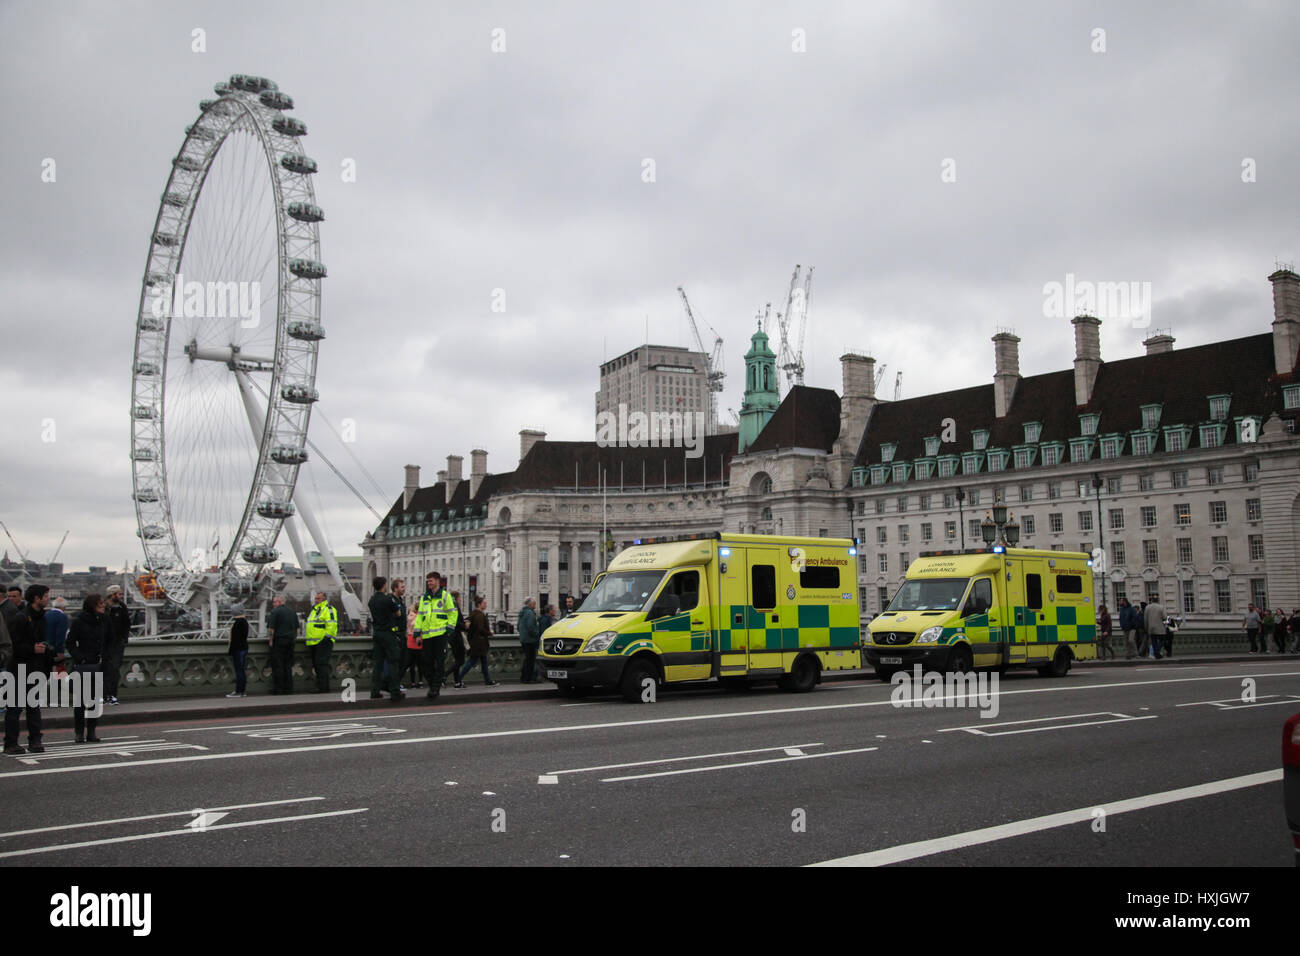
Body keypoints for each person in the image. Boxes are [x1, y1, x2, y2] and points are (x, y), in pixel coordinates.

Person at [4, 585, 52, 755]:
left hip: (35, 668)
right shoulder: (21, 618)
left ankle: (35, 741)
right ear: (36, 598)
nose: (47, 599)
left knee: (33, 707)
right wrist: (33, 649)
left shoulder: (41, 617)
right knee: (15, 707)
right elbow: (12, 646)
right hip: (19, 668)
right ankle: (11, 743)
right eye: (45, 596)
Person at [66, 594, 107, 742]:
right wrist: (80, 657)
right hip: (84, 665)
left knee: (94, 700)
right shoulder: (79, 621)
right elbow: (70, 643)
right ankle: (79, 732)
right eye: (100, 604)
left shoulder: (103, 620)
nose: (103, 606)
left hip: (98, 664)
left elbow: (110, 639)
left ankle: (91, 731)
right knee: (80, 701)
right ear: (92, 605)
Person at [415, 572, 457, 700]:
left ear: (438, 581)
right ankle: (434, 683)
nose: (429, 583)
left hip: (440, 634)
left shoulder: (445, 596)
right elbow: (420, 616)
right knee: (425, 663)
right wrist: (417, 633)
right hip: (427, 636)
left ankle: (435, 688)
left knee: (439, 663)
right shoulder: (424, 598)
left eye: (431, 581)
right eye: (428, 581)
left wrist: (448, 629)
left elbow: (453, 613)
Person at [367, 577, 405, 701]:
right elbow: (398, 613)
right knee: (393, 662)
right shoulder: (388, 599)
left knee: (377, 664)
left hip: (377, 633)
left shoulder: (371, 600)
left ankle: (375, 691)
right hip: (388, 633)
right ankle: (395, 692)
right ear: (384, 585)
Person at [456, 597, 499, 687]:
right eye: (484, 603)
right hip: (479, 643)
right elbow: (480, 628)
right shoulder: (479, 615)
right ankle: (458, 679)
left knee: (483, 661)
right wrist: (489, 633)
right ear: (479, 604)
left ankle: (488, 680)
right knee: (472, 661)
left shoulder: (473, 614)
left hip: (476, 641)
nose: (486, 604)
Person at [305, 591, 338, 693]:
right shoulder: (314, 610)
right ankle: (321, 686)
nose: (316, 600)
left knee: (321, 665)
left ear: (324, 599)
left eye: (318, 598)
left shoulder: (329, 609)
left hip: (323, 642)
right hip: (313, 642)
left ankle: (322, 687)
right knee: (317, 665)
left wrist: (326, 638)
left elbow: (332, 624)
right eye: (315, 598)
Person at [103, 584, 131, 704]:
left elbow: (126, 623)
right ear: (112, 595)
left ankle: (112, 695)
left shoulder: (122, 607)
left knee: (114, 670)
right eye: (119, 594)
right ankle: (105, 695)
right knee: (104, 670)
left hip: (118, 643)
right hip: (105, 644)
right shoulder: (104, 607)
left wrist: (124, 639)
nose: (121, 596)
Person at [266, 594, 299, 694]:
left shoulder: (275, 612)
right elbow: (297, 629)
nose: (273, 604)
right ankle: (289, 688)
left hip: (279, 641)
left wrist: (271, 640)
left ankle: (278, 689)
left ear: (279, 602)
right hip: (290, 641)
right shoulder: (292, 612)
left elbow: (271, 629)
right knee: (288, 665)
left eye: (274, 602)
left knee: (278, 665)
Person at [445, 590, 468, 686]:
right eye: (459, 598)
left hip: (451, 636)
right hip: (456, 635)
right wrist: (465, 626)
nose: (460, 600)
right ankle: (444, 675)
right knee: (460, 660)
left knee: (457, 659)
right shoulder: (455, 608)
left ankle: (457, 682)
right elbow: (456, 623)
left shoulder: (450, 608)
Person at [226, 604, 249, 698]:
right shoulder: (244, 621)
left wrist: (231, 650)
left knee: (239, 671)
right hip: (243, 648)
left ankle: (239, 691)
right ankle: (241, 691)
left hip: (238, 650)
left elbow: (235, 639)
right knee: (241, 670)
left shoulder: (238, 622)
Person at [517, 597, 541, 683]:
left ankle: (523, 677)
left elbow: (518, 626)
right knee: (530, 660)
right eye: (534, 603)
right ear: (530, 604)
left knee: (526, 659)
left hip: (523, 639)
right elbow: (531, 627)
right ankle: (528, 678)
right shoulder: (530, 613)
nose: (535, 605)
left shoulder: (522, 613)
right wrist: (537, 634)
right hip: (530, 640)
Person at [45, 596, 70, 675]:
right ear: (64, 607)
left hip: (45, 648)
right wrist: (60, 651)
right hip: (55, 649)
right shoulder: (62, 617)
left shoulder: (46, 615)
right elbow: (60, 635)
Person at [403, 606, 423, 688]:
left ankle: (413, 682)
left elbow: (407, 629)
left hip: (410, 640)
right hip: (418, 640)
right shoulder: (418, 617)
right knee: (420, 663)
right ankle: (420, 681)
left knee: (411, 663)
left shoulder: (409, 616)